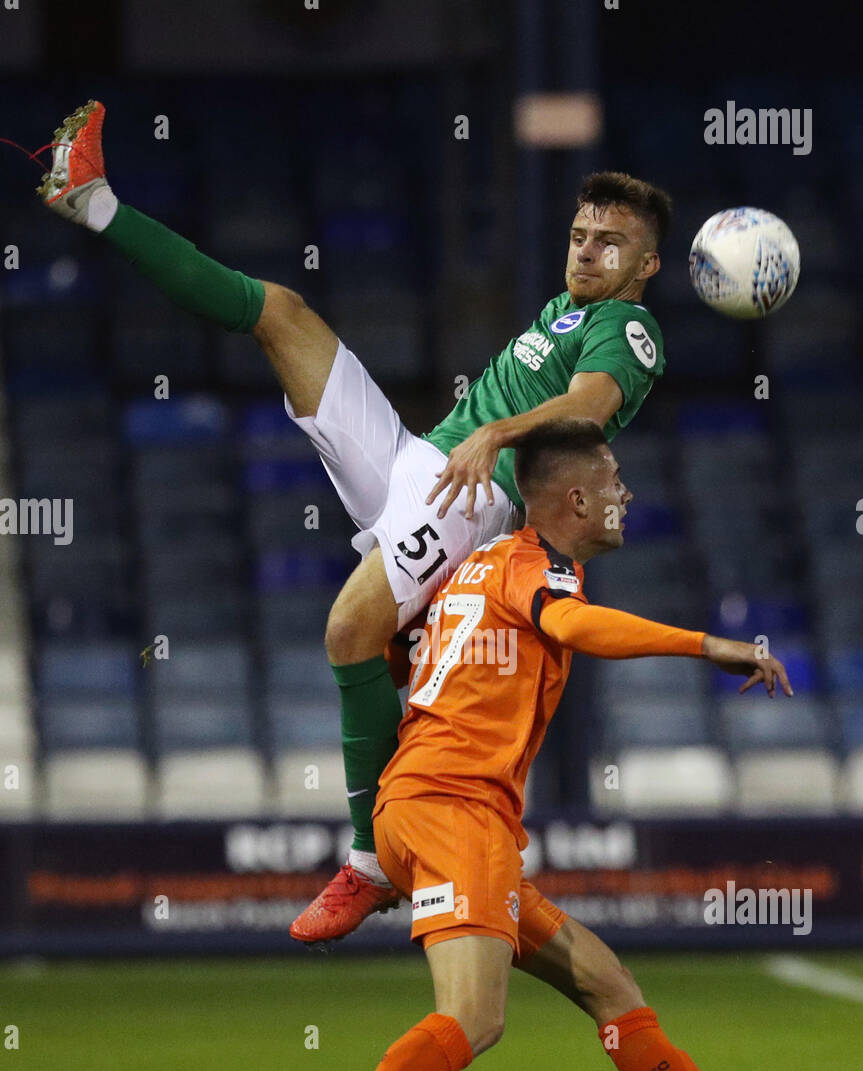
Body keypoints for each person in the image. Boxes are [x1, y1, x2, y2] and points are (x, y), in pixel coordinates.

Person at [38, 100, 671, 939]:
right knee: (282, 312)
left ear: (647, 265)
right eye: (580, 236)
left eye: (610, 243)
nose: (588, 251)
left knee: (347, 628)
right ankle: (96, 203)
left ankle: (370, 862)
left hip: (475, 498)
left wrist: (497, 431)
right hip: (419, 459)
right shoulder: (566, 309)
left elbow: (590, 407)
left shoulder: (629, 327)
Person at [276, 419, 862, 1071]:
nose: (626, 496)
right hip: (454, 809)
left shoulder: (473, 567)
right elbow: (574, 627)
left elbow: (391, 654)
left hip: (421, 806)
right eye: (615, 481)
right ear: (577, 498)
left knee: (607, 984)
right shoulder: (533, 569)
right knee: (473, 1018)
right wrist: (707, 645)